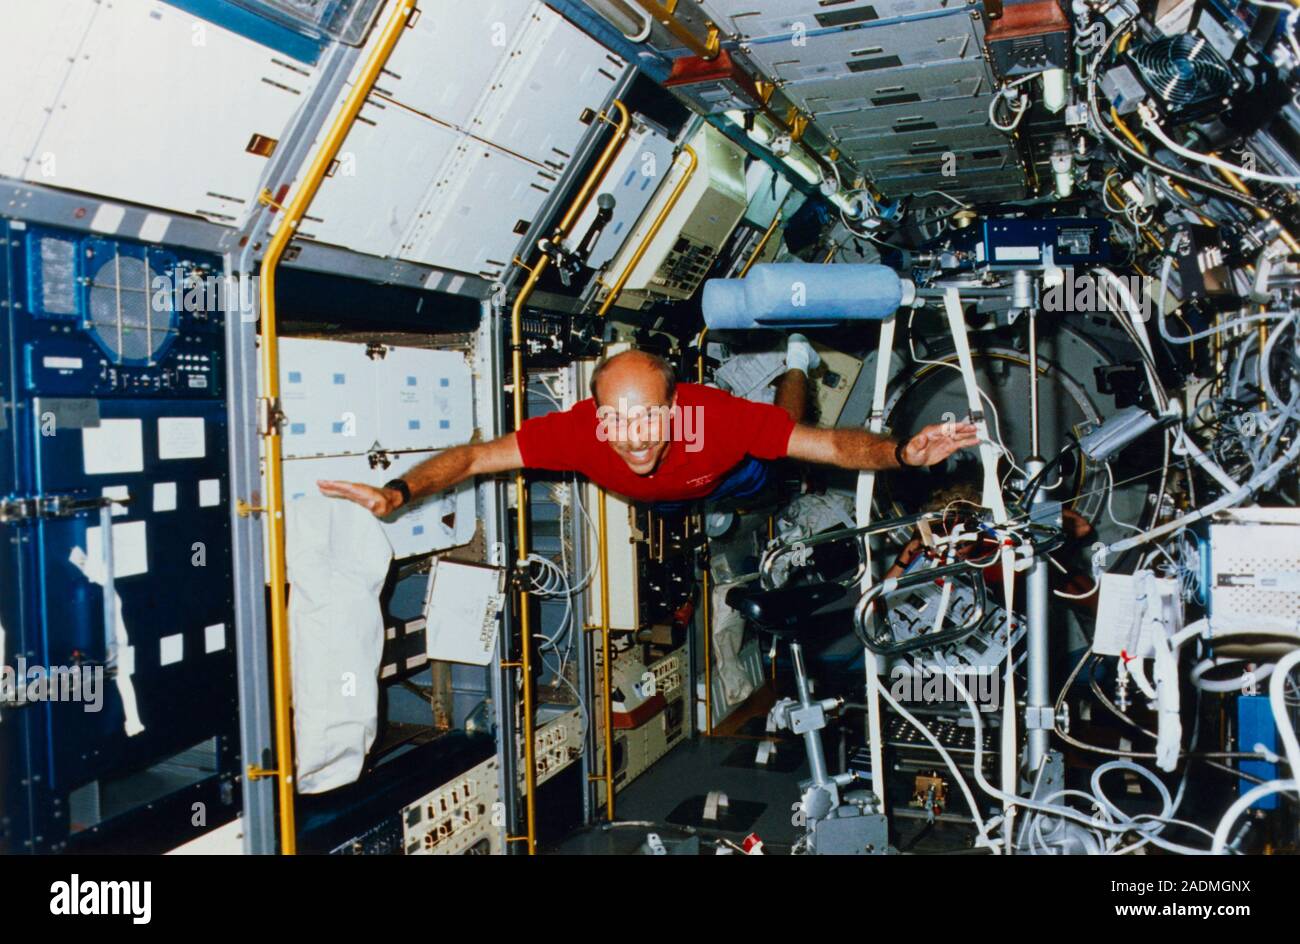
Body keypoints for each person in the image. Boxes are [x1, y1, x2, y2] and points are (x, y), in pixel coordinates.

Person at [317, 335, 979, 516]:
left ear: (676, 407)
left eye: (647, 417)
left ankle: (795, 357)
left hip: (727, 475)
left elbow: (832, 444)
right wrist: (398, 492)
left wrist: (902, 454)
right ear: (595, 414)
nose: (631, 435)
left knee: (782, 443)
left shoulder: (712, 420)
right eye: (615, 419)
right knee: (659, 502)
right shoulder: (576, 433)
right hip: (654, 500)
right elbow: (471, 458)